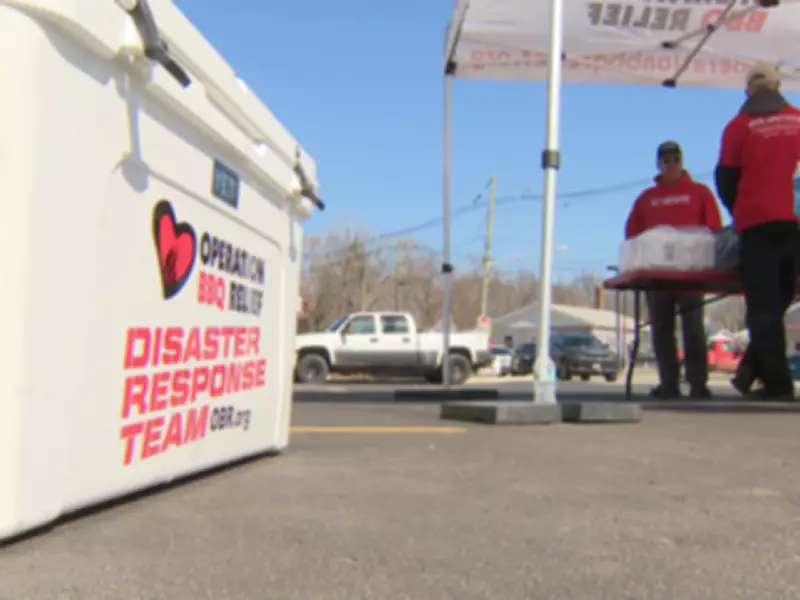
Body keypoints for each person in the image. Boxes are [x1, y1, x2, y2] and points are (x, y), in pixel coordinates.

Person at [715, 62, 800, 401]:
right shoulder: (798, 119)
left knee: (764, 306)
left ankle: (777, 384)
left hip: (758, 224)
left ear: (747, 90)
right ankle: (752, 370)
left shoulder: (739, 126)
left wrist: (741, 208)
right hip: (795, 223)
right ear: (779, 86)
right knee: (779, 301)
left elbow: (726, 178)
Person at [625, 141, 723, 399]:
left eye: (675, 159)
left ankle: (698, 381)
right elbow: (632, 233)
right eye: (666, 159)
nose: (671, 164)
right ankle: (669, 381)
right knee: (662, 328)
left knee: (693, 326)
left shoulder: (699, 192)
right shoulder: (647, 198)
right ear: (659, 163)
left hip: (690, 273)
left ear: (682, 162)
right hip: (657, 275)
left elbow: (713, 227)